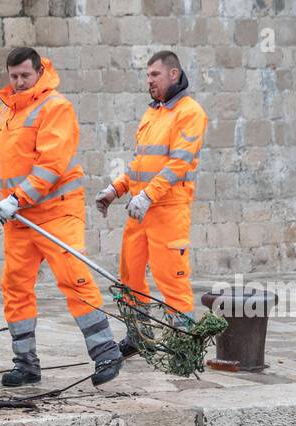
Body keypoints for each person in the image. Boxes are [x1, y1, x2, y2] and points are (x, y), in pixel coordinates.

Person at [0, 47, 121, 387]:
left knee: (73, 275)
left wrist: (18, 198)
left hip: (57, 211)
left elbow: (51, 165)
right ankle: (26, 364)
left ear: (39, 72)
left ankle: (106, 351)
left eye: (25, 76)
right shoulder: (9, 110)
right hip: (19, 217)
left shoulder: (56, 107)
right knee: (15, 286)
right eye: (14, 76)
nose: (19, 82)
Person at [95, 50, 208, 356]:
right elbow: (140, 165)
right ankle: (138, 337)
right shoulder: (152, 113)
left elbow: (179, 163)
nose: (149, 81)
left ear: (173, 74)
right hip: (139, 211)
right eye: (147, 76)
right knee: (130, 275)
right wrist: (116, 189)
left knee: (171, 278)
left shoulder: (190, 112)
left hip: (167, 211)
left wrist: (148, 195)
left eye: (155, 75)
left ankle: (183, 344)